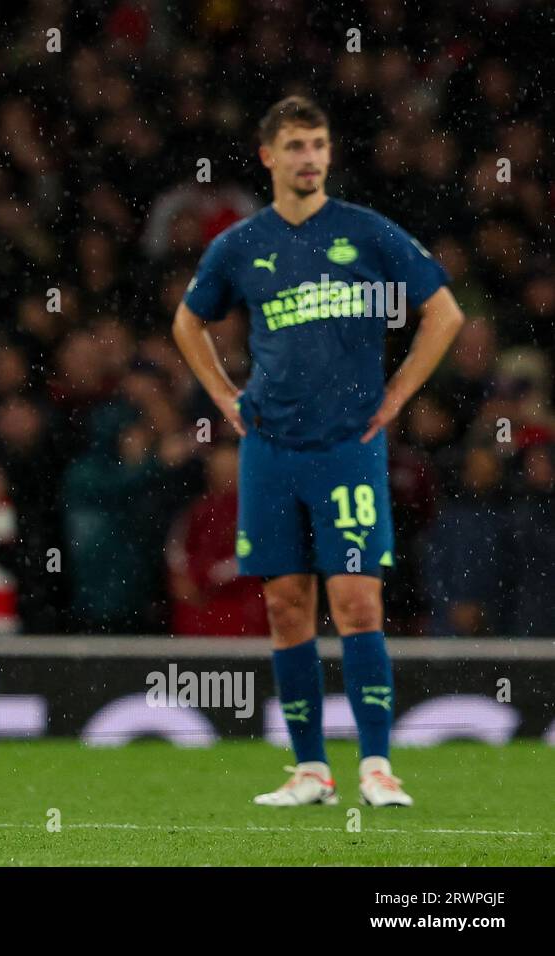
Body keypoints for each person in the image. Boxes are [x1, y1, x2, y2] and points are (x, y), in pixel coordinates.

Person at [172, 96, 464, 807]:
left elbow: (445, 313)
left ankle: (377, 766)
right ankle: (310, 771)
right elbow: (188, 322)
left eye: (320, 144)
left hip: (347, 448)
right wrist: (222, 395)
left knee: (358, 601)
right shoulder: (240, 246)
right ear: (268, 156)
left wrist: (396, 396)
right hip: (271, 448)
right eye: (296, 146)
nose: (310, 158)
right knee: (286, 608)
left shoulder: (365, 233)